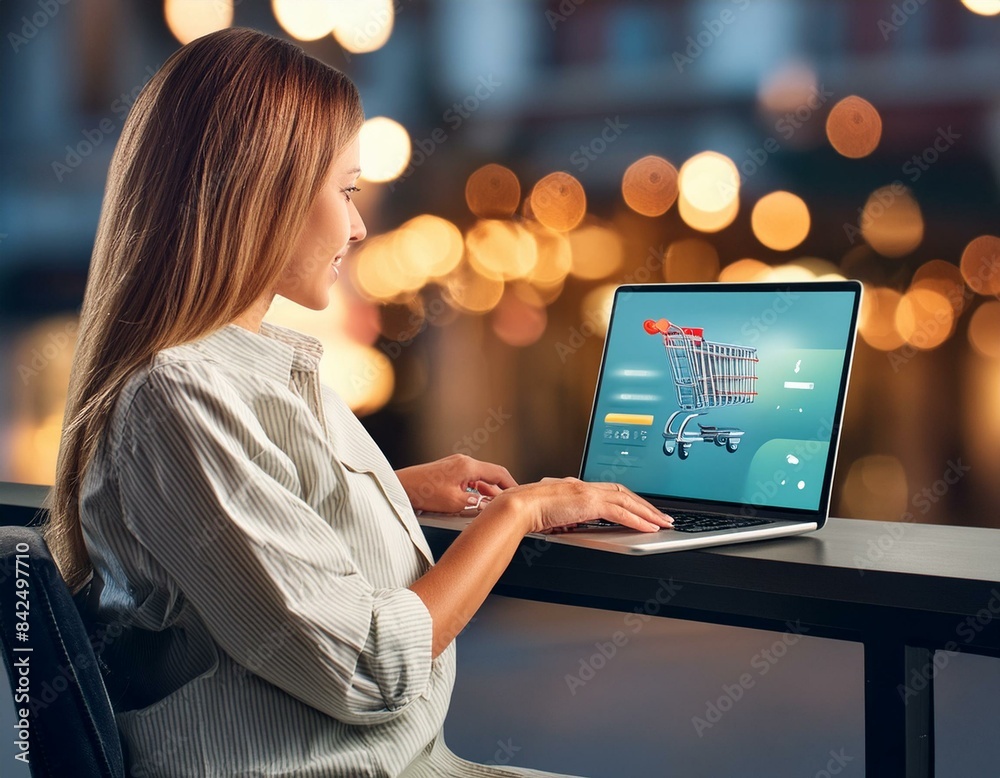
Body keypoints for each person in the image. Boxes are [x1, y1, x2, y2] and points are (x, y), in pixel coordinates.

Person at [44, 27, 672, 778]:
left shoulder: (226, 378)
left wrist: (387, 488)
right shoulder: (178, 399)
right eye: (347, 191)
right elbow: (369, 668)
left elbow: (240, 543)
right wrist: (520, 512)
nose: (359, 224)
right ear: (260, 192)